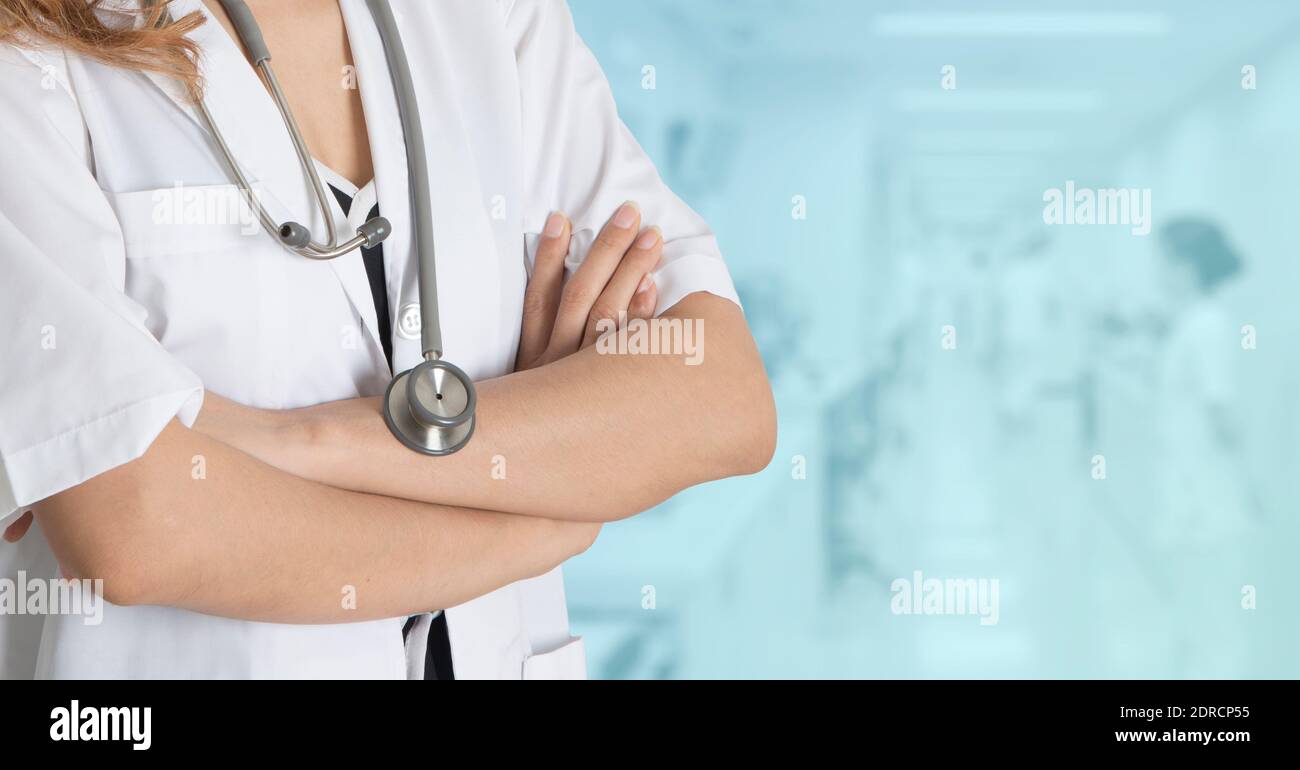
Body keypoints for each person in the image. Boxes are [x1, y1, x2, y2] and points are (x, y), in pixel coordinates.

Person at [0, 0, 776, 679]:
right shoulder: (28, 48)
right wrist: (548, 506)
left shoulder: (487, 16)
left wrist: (291, 443)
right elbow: (136, 529)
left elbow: (722, 402)